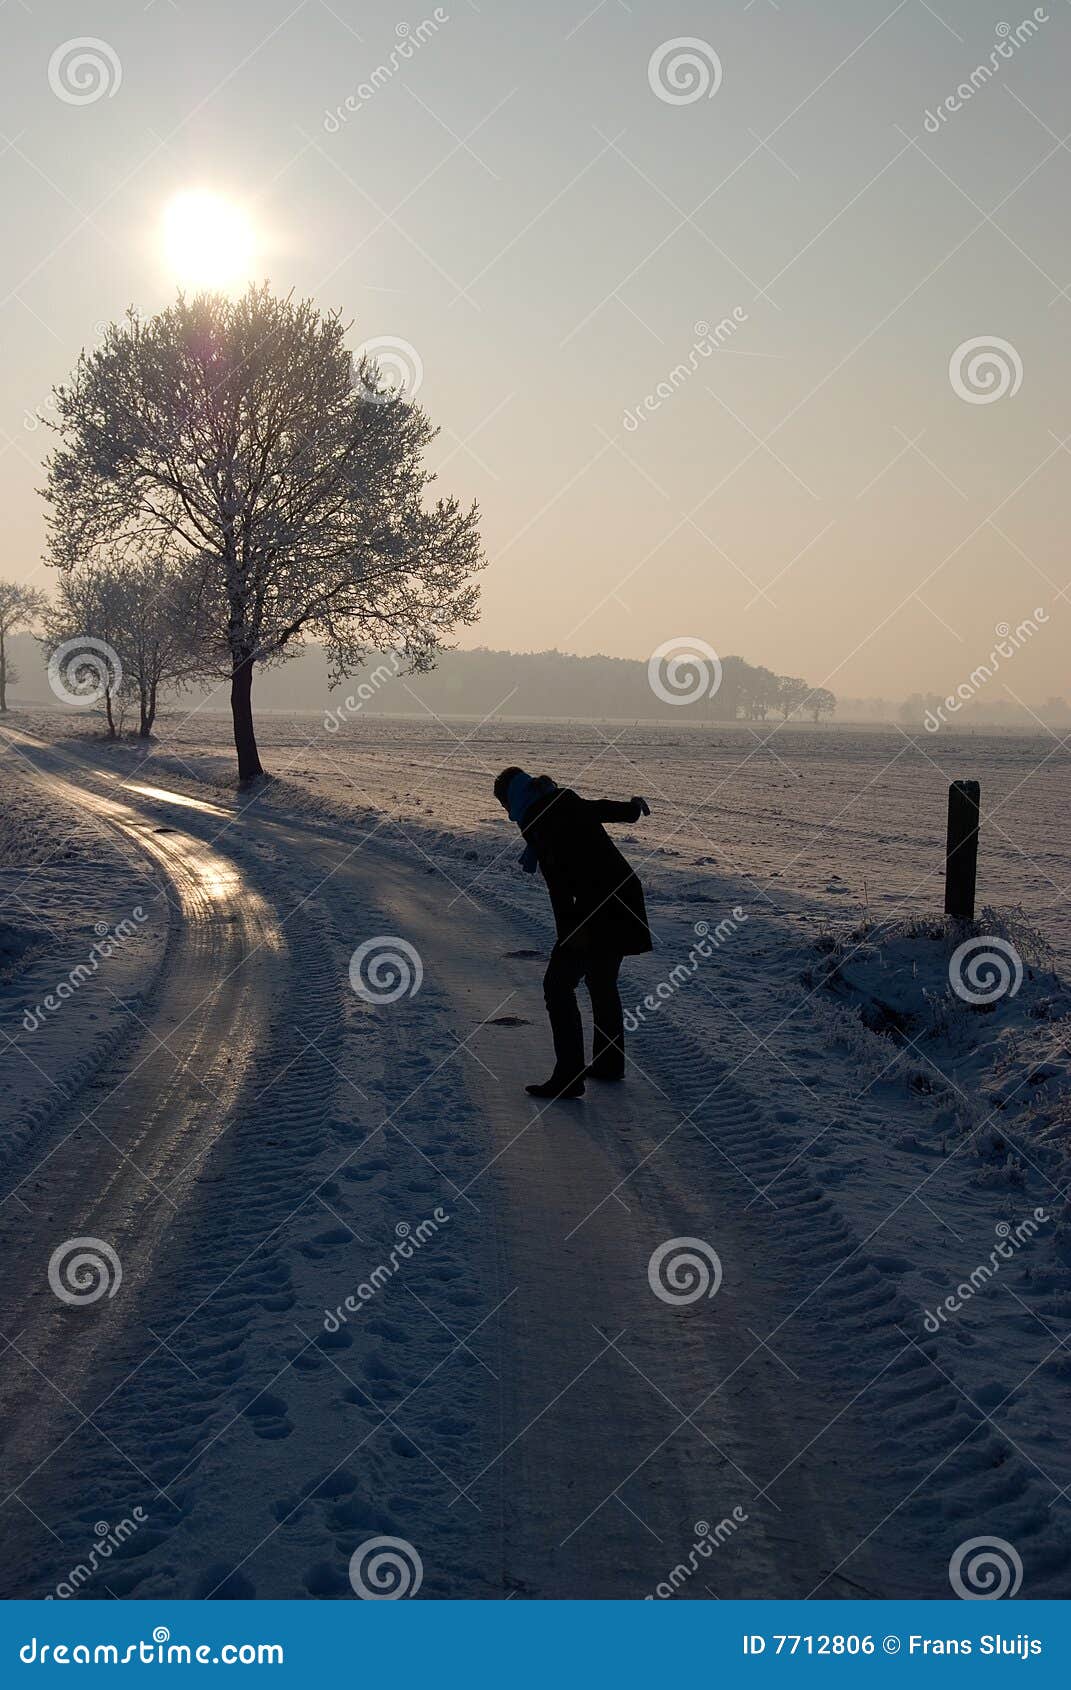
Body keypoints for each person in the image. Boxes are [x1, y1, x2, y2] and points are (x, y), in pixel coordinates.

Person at [493, 766, 652, 1099]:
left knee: (558, 985)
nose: (508, 814)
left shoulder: (542, 823)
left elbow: (561, 885)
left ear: (513, 800)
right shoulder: (561, 800)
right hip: (623, 898)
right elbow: (602, 808)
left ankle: (569, 1075)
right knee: (602, 980)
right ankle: (609, 1063)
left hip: (595, 909)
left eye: (505, 806)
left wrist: (570, 933)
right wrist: (633, 808)